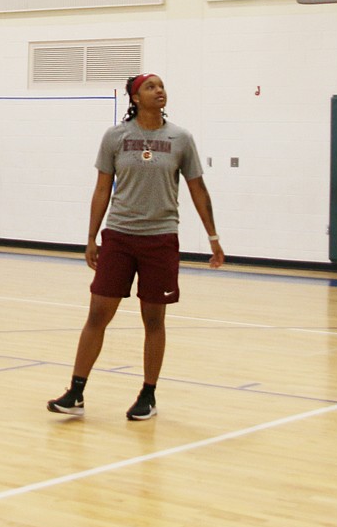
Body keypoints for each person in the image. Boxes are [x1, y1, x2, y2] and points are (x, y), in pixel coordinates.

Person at [47, 73, 224, 421]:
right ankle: (76, 391)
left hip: (160, 238)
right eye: (150, 87)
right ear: (135, 97)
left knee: (154, 319)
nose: (160, 91)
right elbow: (101, 190)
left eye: (161, 86)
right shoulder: (115, 137)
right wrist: (91, 237)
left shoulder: (180, 138)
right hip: (119, 236)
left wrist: (213, 239)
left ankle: (148, 394)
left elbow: (198, 190)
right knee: (98, 314)